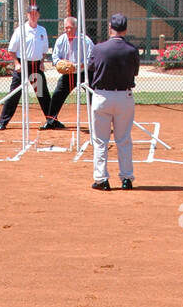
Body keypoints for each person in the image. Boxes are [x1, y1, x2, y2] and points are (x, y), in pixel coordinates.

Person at [87, 12, 140, 191]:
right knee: (123, 139)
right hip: (124, 96)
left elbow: (90, 70)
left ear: (110, 28)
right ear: (125, 29)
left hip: (102, 95)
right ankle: (126, 178)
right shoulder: (132, 50)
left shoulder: (99, 48)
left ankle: (101, 179)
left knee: (101, 140)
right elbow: (134, 73)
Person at [0, 4, 51, 130]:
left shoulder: (42, 31)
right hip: (22, 65)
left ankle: (51, 120)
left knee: (43, 94)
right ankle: (3, 121)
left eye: (36, 14)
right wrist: (16, 63)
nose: (33, 16)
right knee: (14, 94)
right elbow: (11, 50)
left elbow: (44, 50)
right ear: (27, 15)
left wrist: (42, 62)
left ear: (39, 15)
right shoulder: (20, 30)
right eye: (31, 14)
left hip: (36, 65)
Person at [41, 15, 94, 131]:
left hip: (84, 72)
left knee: (93, 95)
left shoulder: (85, 40)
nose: (67, 30)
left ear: (76, 27)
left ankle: (97, 122)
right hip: (68, 74)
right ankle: (51, 121)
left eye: (70, 28)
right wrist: (60, 63)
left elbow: (92, 58)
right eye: (66, 28)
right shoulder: (61, 39)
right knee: (57, 95)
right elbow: (55, 56)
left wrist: (79, 65)